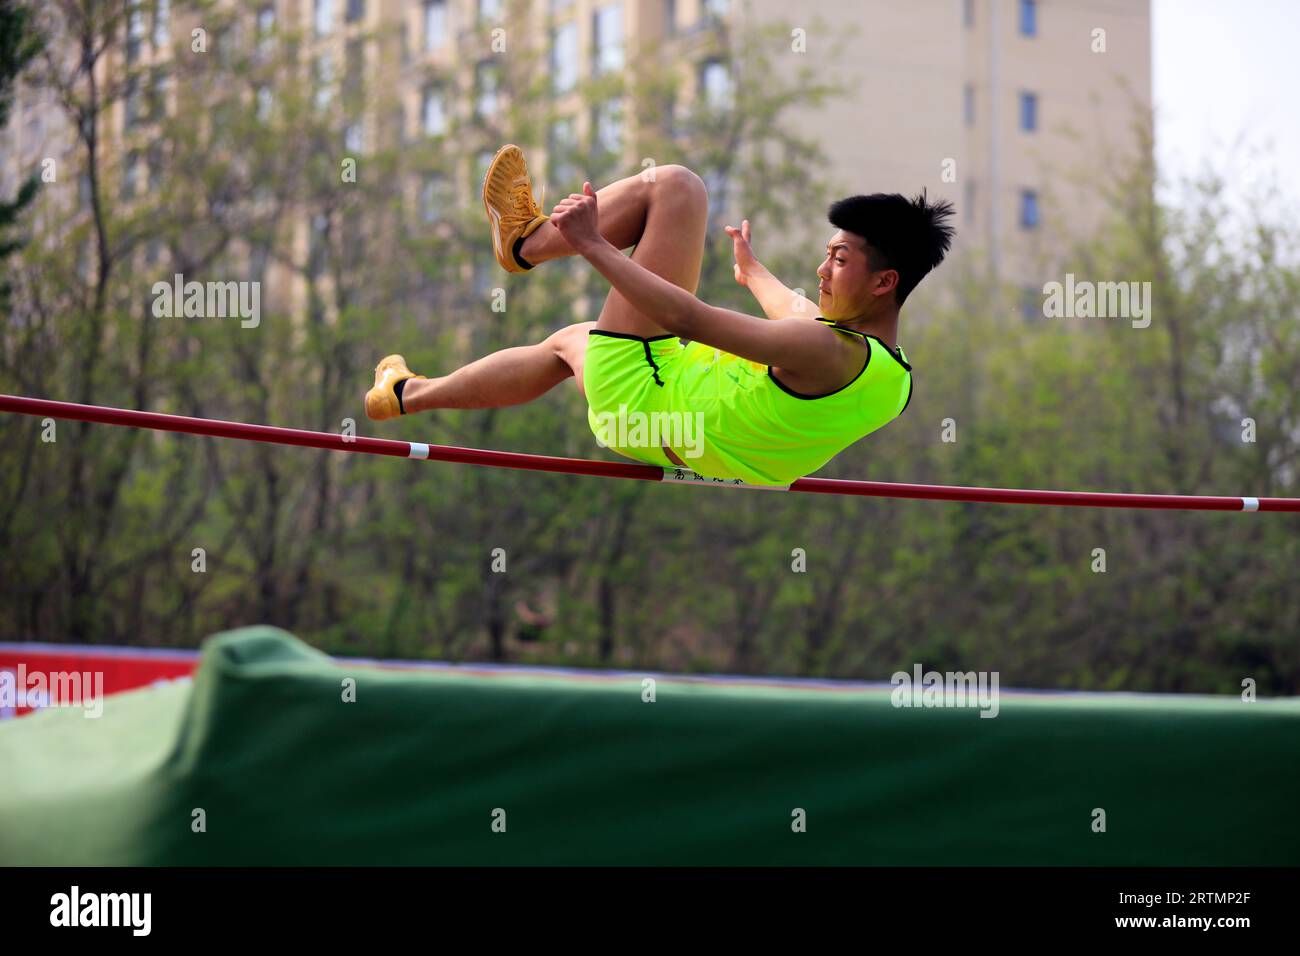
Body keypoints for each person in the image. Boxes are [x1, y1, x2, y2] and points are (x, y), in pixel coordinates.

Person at [365, 144, 954, 486]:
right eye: (826, 256)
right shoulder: (890, 379)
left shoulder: (825, 350)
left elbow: (690, 321)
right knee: (571, 344)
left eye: (839, 259)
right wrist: (751, 274)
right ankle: (405, 392)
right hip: (659, 428)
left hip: (646, 401)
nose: (823, 271)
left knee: (676, 188)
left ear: (884, 282)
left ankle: (526, 242)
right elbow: (796, 313)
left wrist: (593, 243)